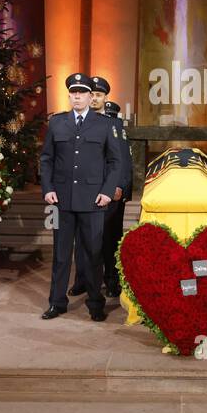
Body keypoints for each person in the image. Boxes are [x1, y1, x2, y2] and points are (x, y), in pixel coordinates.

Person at [38, 73, 125, 322]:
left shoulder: (104, 124)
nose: (77, 96)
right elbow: (47, 159)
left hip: (93, 200)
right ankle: (57, 302)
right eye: (73, 92)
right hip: (62, 199)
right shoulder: (57, 123)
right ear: (69, 95)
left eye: (82, 92)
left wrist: (107, 192)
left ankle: (95, 302)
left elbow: (114, 161)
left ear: (90, 96)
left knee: (93, 254)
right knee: (61, 254)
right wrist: (48, 188)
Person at [68, 76, 133, 302]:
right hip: (86, 191)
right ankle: (82, 280)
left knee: (110, 238)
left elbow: (123, 159)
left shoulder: (113, 123)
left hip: (110, 191)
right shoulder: (78, 121)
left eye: (98, 95)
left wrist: (121, 189)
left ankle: (112, 280)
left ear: (105, 98)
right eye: (92, 94)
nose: (94, 98)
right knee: (83, 237)